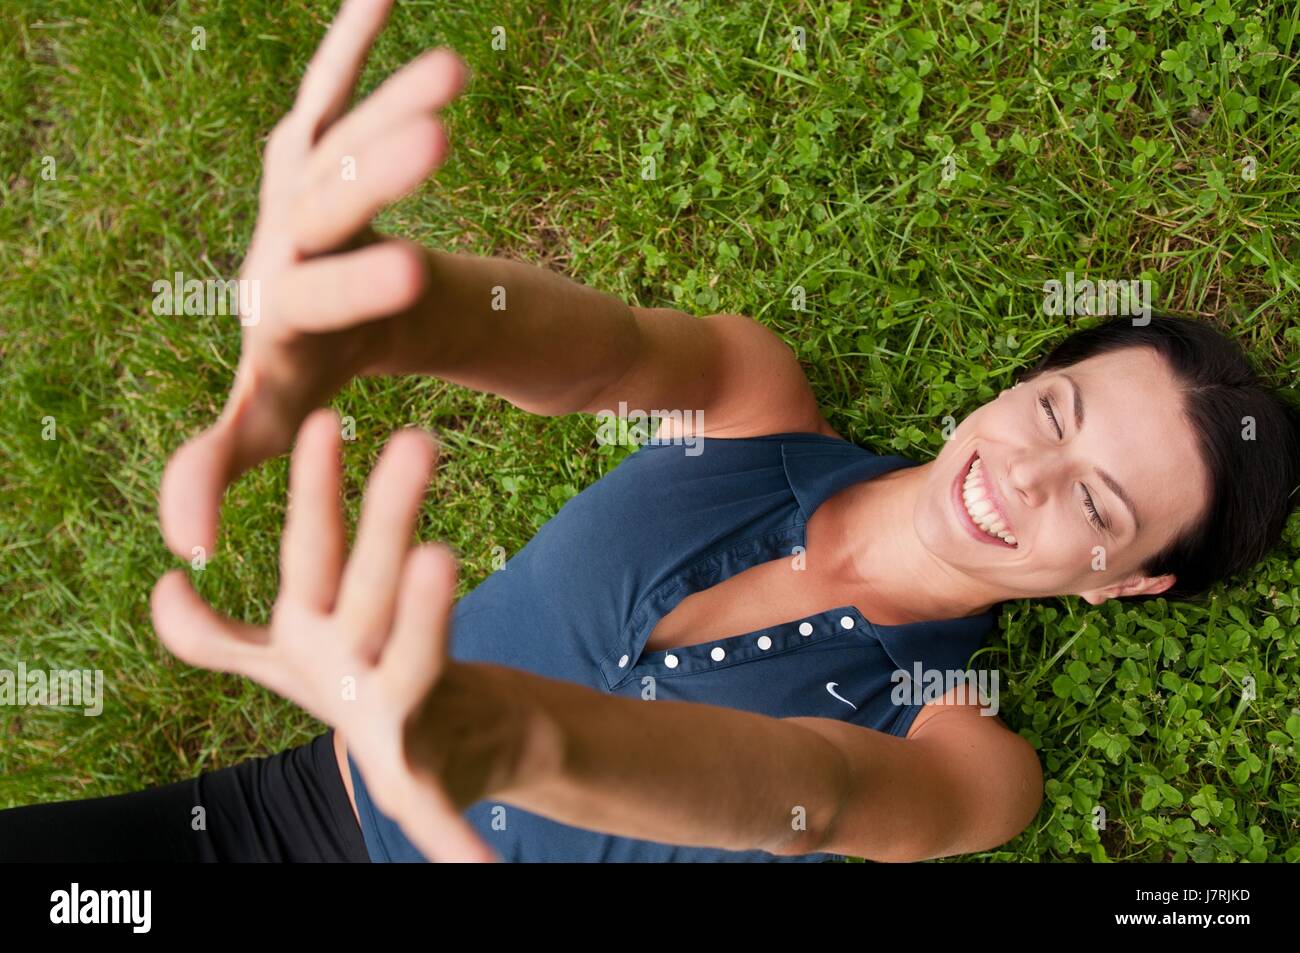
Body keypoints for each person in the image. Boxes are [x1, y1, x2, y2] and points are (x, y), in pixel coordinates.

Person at [3, 0, 1297, 863]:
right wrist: (404, 312)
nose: (1023, 471)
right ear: (1020, 382)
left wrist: (522, 742)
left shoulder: (966, 749)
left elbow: (817, 792)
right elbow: (602, 353)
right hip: (273, 818)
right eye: (1056, 411)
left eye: (1099, 503)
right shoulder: (753, 403)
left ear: (1123, 580)